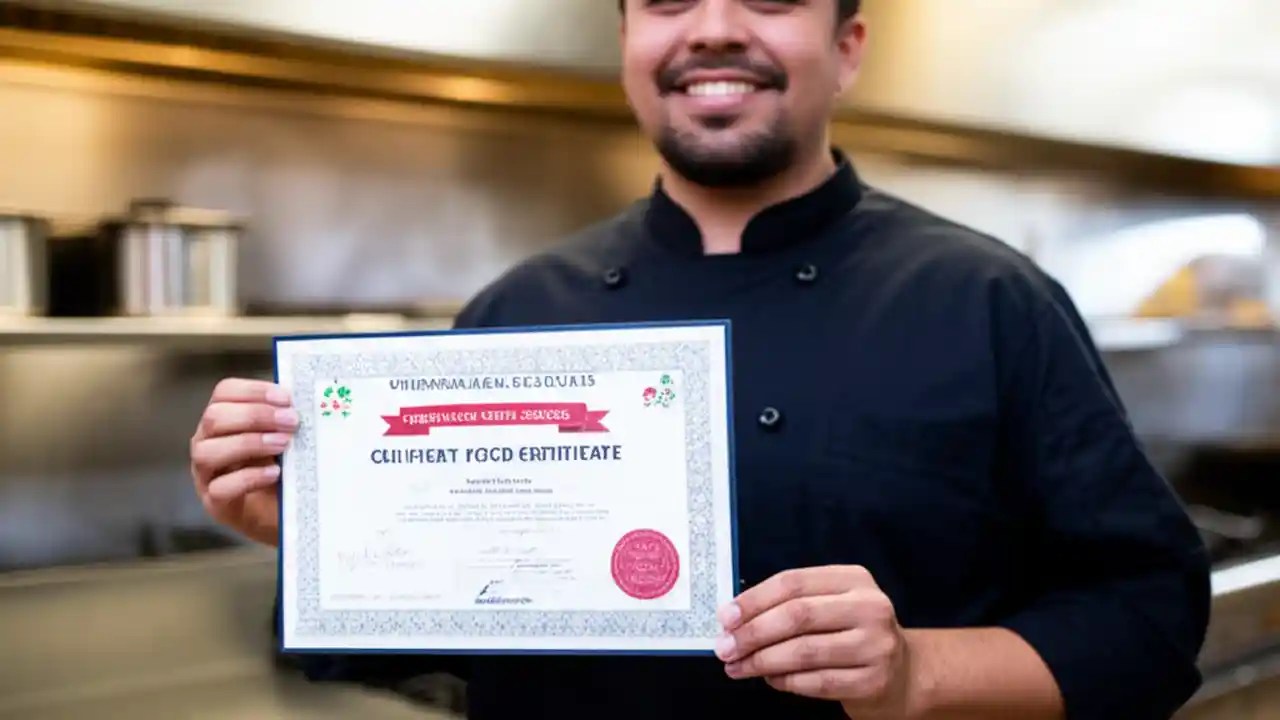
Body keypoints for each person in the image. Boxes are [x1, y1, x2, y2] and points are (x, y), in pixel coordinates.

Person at [189, 1, 1211, 718]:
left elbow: (1147, 618)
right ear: (629, 40)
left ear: (846, 47)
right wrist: (321, 528)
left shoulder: (987, 300)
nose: (713, 26)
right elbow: (444, 630)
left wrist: (913, 675)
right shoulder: (516, 312)